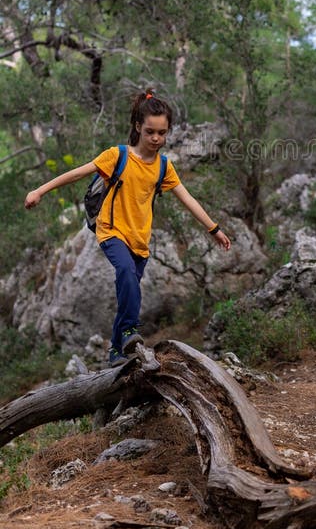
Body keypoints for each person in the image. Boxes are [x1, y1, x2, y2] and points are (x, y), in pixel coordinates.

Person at [24, 89, 231, 367]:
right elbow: (78, 173)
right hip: (111, 231)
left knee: (128, 291)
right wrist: (40, 190)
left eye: (162, 133)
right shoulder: (117, 156)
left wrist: (213, 228)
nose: (156, 138)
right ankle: (131, 331)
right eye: (150, 132)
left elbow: (187, 199)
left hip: (140, 240)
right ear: (137, 127)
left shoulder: (163, 167)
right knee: (125, 274)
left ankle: (115, 352)